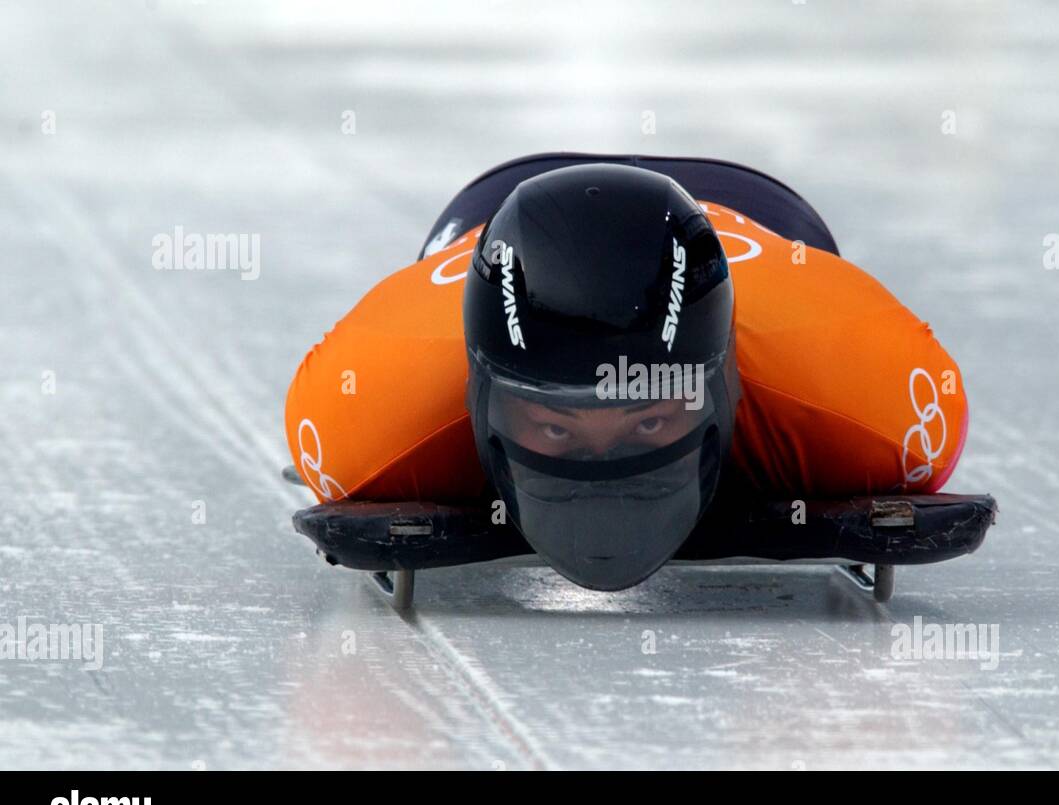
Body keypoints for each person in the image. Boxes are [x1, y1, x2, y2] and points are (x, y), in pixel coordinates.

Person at [285, 154, 968, 590]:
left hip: (765, 221)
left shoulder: (856, 382)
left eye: (647, 416)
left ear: (724, 377)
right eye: (556, 424)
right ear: (478, 388)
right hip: (486, 218)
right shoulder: (374, 404)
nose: (604, 464)